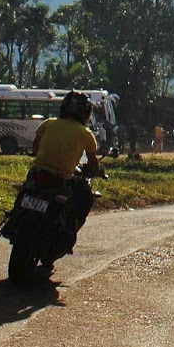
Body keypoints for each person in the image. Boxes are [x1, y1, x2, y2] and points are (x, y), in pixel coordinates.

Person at [29, 91, 106, 256]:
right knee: (85, 198)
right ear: (86, 113)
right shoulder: (85, 134)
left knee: (26, 190)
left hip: (37, 172)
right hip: (62, 179)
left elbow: (35, 148)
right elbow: (93, 164)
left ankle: (15, 218)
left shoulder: (48, 124)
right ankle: (68, 232)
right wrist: (98, 172)